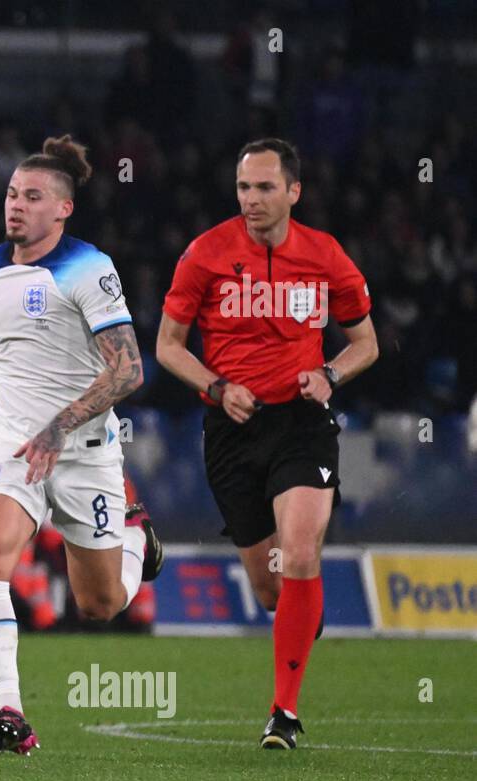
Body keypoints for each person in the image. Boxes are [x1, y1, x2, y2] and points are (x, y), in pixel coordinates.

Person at [0, 136, 163, 756]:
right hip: (14, 447)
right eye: (11, 194)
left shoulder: (90, 268)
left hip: (84, 452)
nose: (16, 206)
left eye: (32, 197)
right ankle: (10, 713)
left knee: (99, 605)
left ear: (63, 209)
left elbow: (129, 370)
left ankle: (137, 544)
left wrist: (60, 427)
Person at [156, 137, 378, 749]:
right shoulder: (205, 254)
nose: (251, 199)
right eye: (243, 188)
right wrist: (216, 386)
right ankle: (301, 618)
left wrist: (329, 374)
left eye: (264, 188)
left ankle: (283, 713)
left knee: (301, 555)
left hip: (302, 423)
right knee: (272, 586)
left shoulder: (326, 256)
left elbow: (367, 343)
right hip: (231, 426)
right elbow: (168, 346)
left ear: (293, 192)